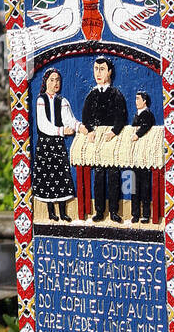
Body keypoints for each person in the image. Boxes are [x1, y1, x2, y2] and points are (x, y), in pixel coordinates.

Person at [78, 56, 128, 223]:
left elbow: (121, 117)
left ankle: (114, 211)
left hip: (111, 139)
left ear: (109, 72)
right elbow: (86, 117)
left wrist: (113, 132)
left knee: (113, 176)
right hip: (97, 140)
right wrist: (90, 130)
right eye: (96, 69)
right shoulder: (92, 95)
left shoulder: (116, 94)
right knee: (98, 176)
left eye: (102, 69)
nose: (98, 73)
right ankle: (99, 210)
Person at [34, 68, 77, 222]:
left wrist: (78, 127)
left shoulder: (62, 101)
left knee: (61, 176)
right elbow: (42, 124)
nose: (55, 83)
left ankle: (63, 211)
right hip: (46, 144)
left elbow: (69, 119)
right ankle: (51, 211)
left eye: (57, 80)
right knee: (48, 177)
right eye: (52, 80)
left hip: (58, 144)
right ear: (46, 82)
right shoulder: (41, 100)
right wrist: (61, 131)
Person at [131, 90, 156, 224]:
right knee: (133, 186)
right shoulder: (137, 114)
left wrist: (137, 134)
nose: (136, 102)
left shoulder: (147, 114)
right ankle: (135, 214)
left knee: (145, 187)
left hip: (144, 156)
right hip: (135, 156)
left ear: (144, 101)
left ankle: (146, 214)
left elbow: (146, 126)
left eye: (138, 99)